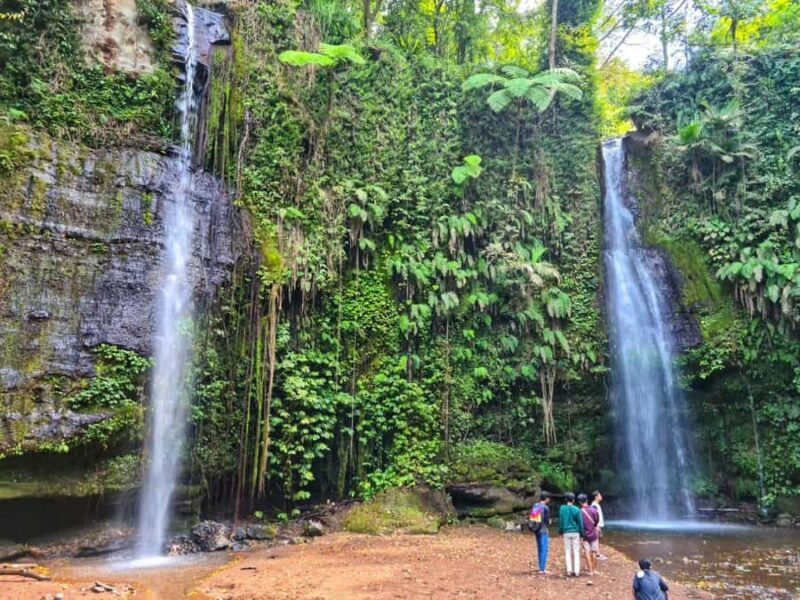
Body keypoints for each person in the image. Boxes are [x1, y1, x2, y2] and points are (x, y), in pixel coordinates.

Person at [558, 492, 584, 577]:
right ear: (573, 500)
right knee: (576, 551)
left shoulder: (562, 509)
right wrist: (582, 534)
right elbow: (580, 523)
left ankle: (569, 570)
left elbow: (561, 521)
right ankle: (576, 571)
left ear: (566, 500)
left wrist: (560, 531)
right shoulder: (577, 509)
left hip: (566, 532)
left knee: (567, 551)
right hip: (575, 532)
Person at [528, 491, 552, 575]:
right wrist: (549, 521)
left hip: (536, 529)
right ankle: (542, 569)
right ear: (546, 499)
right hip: (543, 530)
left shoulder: (536, 505)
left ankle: (540, 567)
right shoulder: (545, 508)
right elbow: (547, 521)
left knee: (539, 548)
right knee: (544, 549)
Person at [578, 493, 600, 575]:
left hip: (585, 535)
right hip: (594, 534)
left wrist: (581, 535)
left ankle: (590, 571)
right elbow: (597, 521)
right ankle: (594, 570)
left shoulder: (580, 512)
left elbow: (579, 524)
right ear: (587, 500)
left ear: (580, 502)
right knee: (594, 552)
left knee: (587, 551)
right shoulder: (594, 510)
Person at [590, 490, 607, 560]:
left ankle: (597, 553)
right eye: (599, 495)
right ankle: (597, 554)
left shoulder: (596, 504)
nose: (601, 496)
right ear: (596, 497)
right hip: (597, 526)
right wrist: (596, 526)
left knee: (597, 539)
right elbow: (594, 516)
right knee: (596, 539)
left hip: (598, 525)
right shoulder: (594, 505)